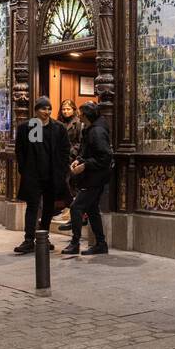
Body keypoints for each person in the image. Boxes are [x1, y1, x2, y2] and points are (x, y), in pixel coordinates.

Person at [13, 96, 71, 254]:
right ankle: (29, 239)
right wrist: (25, 169)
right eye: (43, 108)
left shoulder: (58, 128)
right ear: (36, 110)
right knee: (32, 206)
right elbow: (22, 151)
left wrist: (61, 169)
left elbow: (65, 150)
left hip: (52, 174)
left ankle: (43, 238)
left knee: (48, 208)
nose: (47, 111)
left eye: (49, 108)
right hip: (34, 175)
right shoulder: (31, 126)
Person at [64, 101, 113, 256]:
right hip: (95, 177)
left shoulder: (96, 131)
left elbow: (104, 157)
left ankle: (75, 243)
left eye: (80, 113)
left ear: (86, 115)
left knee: (76, 207)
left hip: (95, 178)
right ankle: (100, 243)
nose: (78, 115)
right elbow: (88, 151)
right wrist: (79, 159)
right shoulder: (91, 128)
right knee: (92, 210)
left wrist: (85, 165)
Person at [56, 100, 83, 234]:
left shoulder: (77, 123)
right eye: (63, 109)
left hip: (72, 158)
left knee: (72, 184)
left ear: (73, 109)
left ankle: (76, 213)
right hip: (61, 159)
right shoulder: (59, 123)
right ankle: (69, 210)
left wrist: (72, 153)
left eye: (68, 109)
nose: (65, 111)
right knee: (65, 184)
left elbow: (79, 141)